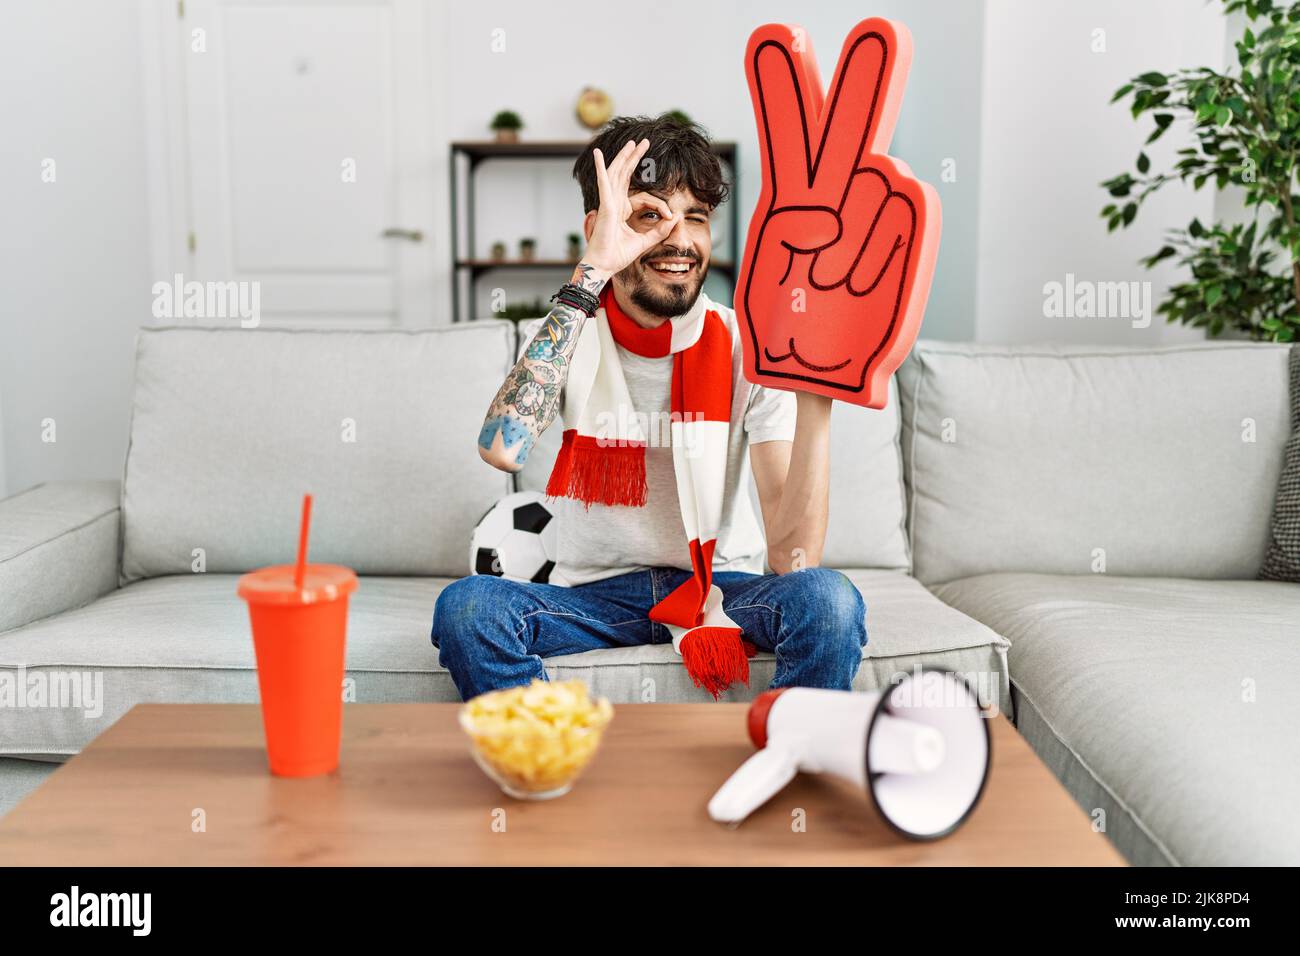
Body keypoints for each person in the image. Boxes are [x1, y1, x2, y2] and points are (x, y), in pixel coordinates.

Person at [431, 114, 866, 701]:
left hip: (721, 586)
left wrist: (817, 402)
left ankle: (790, 749)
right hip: (596, 594)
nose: (680, 241)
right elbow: (502, 449)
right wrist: (593, 270)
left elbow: (796, 561)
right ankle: (545, 749)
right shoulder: (566, 332)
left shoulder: (749, 348)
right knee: (469, 608)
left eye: (697, 218)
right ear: (600, 228)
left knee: (830, 601)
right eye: (649, 216)